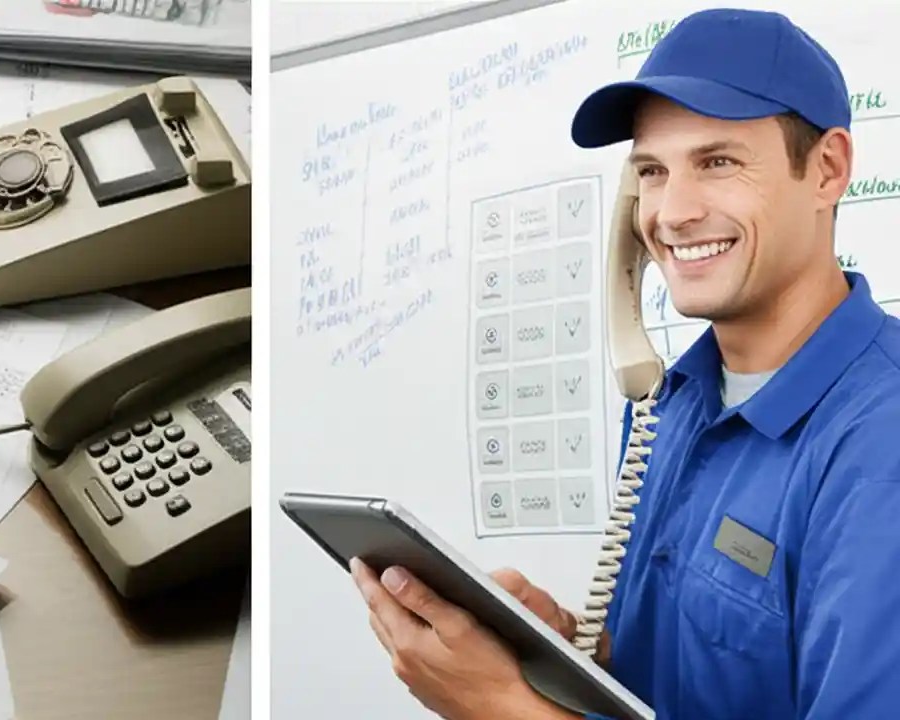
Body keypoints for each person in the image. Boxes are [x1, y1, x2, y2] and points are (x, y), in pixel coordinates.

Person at [350, 8, 900, 720]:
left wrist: (501, 707)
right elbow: (687, 681)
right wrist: (566, 651)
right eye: (651, 172)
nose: (671, 213)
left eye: (718, 163)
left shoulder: (879, 446)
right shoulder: (664, 407)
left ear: (827, 170)